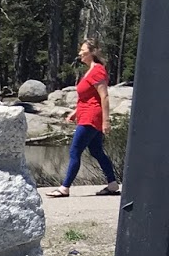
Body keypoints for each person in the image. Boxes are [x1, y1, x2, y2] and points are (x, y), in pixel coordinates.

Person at [46, 39, 120, 198]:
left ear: (92, 52)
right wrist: (75, 112)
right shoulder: (90, 71)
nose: (79, 53)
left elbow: (104, 96)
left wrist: (106, 120)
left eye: (83, 50)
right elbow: (87, 97)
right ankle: (113, 184)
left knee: (75, 151)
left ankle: (64, 188)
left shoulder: (98, 71)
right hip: (86, 114)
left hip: (91, 117)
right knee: (96, 151)